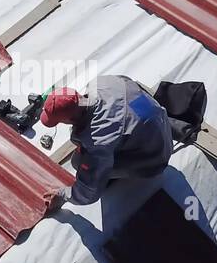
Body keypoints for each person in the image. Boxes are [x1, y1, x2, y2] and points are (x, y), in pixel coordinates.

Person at [42, 75, 173, 207]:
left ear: (68, 120)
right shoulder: (102, 82)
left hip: (156, 158)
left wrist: (62, 195)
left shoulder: (98, 140)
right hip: (162, 125)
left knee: (78, 162)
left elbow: (88, 192)